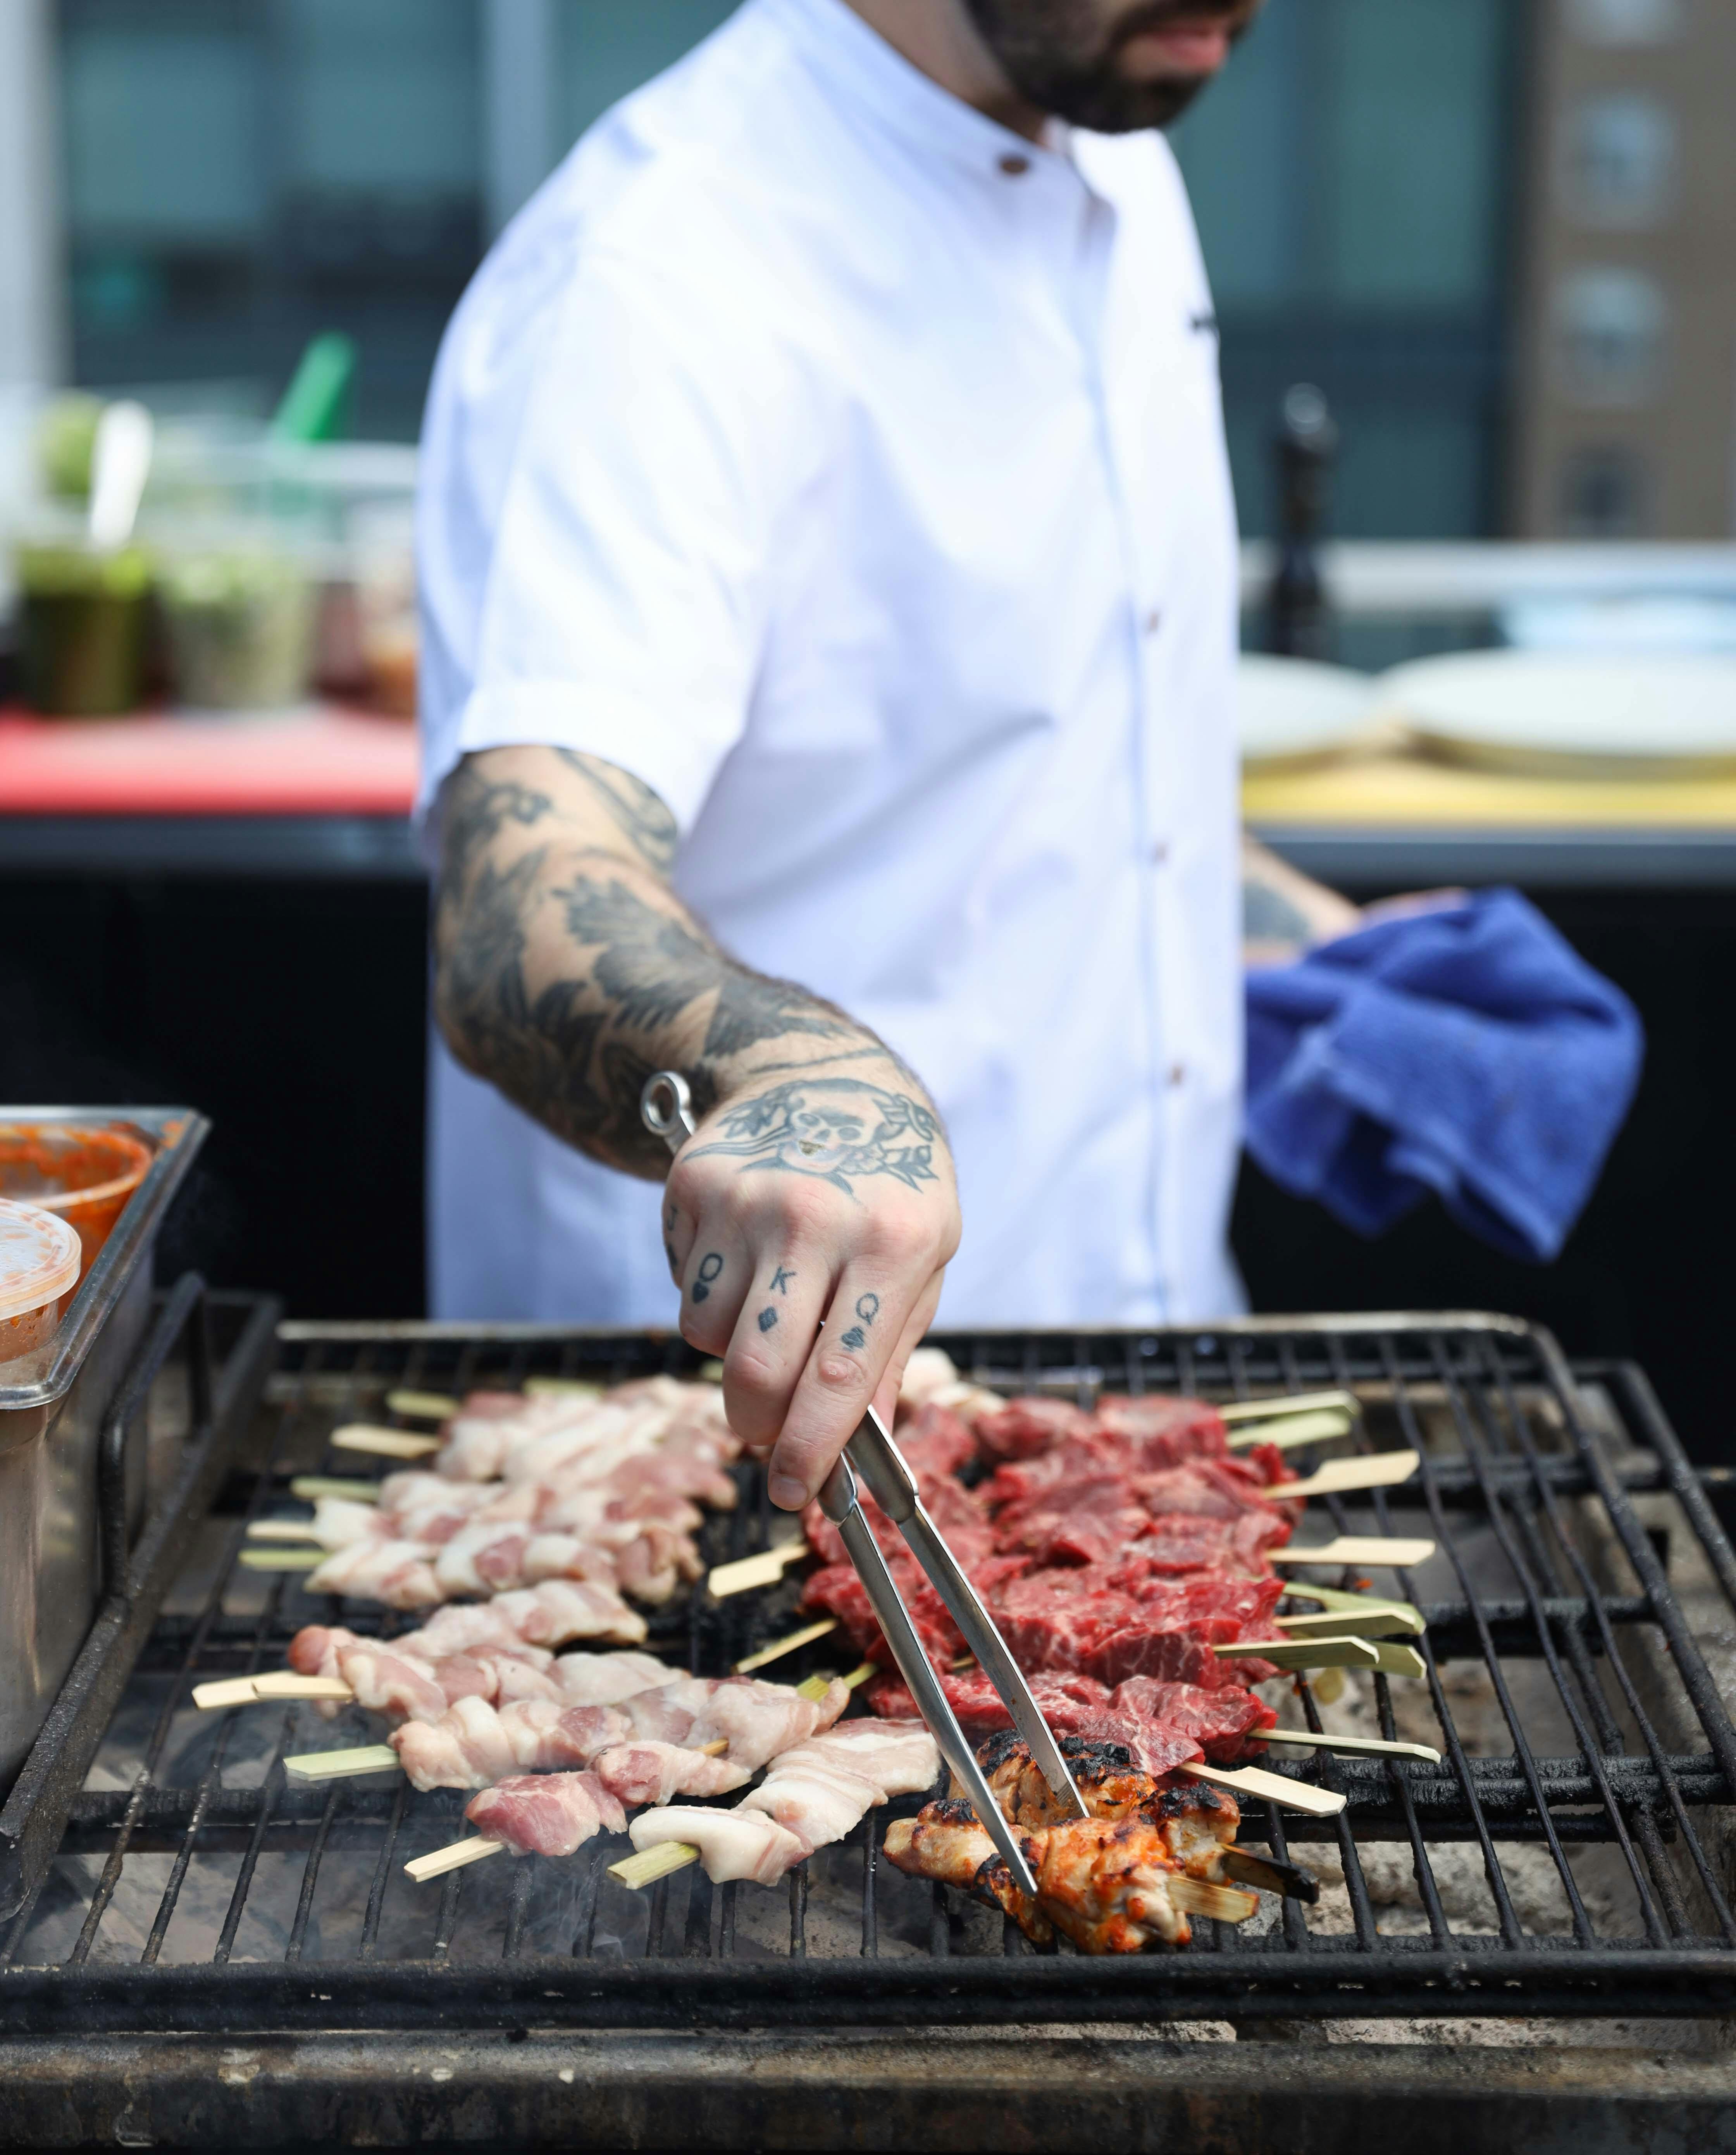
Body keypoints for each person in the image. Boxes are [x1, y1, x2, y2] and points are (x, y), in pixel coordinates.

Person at [417, 0, 1358, 1515]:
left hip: (1135, 1387)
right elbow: (518, 888)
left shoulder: (1107, 122)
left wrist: (1316, 946)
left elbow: (1015, 749)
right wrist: (790, 1072)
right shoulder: (660, 273)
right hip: (740, 1455)